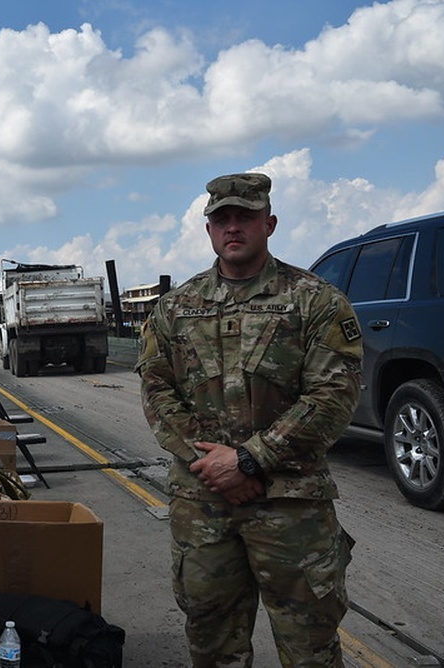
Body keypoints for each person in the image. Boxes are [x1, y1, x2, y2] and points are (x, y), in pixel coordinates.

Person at [136, 173, 363, 667]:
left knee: (311, 649)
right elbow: (157, 391)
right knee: (212, 641)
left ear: (270, 223)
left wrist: (250, 459)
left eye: (246, 216)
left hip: (290, 507)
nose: (233, 227)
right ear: (209, 229)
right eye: (222, 218)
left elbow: (333, 395)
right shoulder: (175, 308)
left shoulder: (315, 301)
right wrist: (214, 466)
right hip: (204, 505)